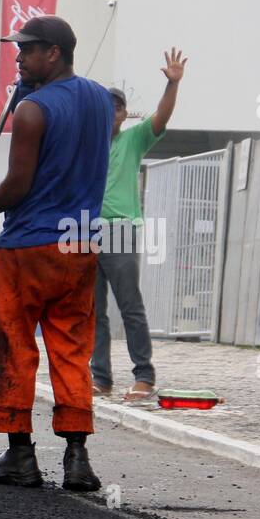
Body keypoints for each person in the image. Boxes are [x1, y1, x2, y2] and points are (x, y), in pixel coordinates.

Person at [0, 16, 113, 492]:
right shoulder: (101, 99)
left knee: (12, 347)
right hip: (79, 244)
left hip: (30, 246)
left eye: (27, 50)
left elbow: (18, 185)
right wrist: (27, 95)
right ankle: (77, 459)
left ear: (53, 53)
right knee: (71, 350)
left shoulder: (34, 111)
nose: (18, 58)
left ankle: (20, 456)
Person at [92, 49, 188, 402]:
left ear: (123, 113)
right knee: (92, 312)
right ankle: (100, 378)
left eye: (118, 107)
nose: (113, 112)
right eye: (107, 106)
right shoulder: (86, 144)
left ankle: (144, 376)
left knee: (129, 305)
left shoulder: (132, 139)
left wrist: (172, 84)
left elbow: (161, 117)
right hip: (83, 232)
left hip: (120, 230)